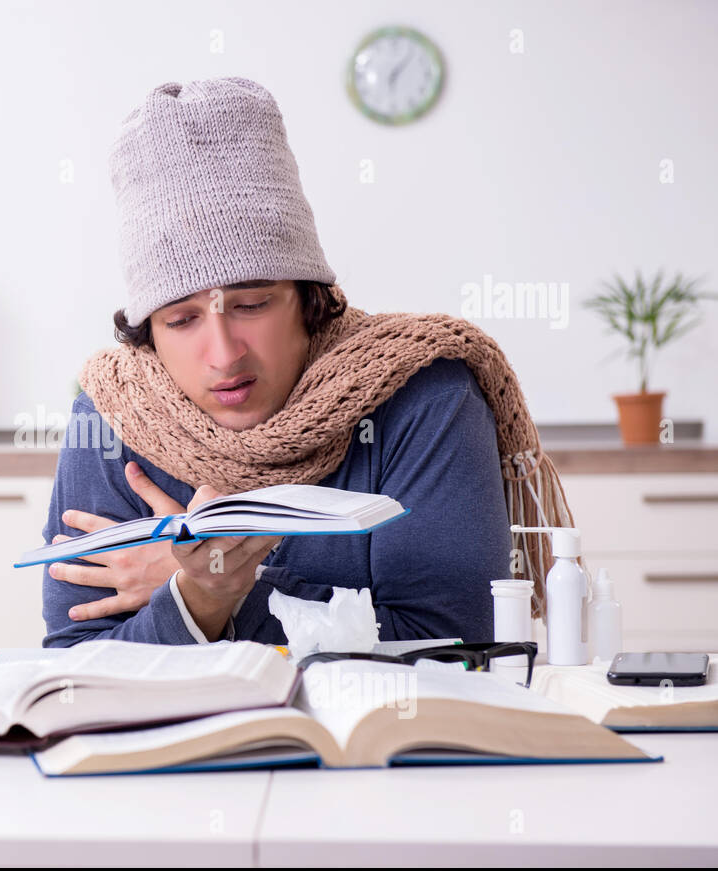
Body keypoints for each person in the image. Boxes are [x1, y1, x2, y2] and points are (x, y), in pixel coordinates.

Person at [40, 77, 576, 648]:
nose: (223, 354)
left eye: (251, 304)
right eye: (182, 319)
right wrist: (198, 597)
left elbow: (454, 642)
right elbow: (77, 658)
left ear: (310, 298)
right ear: (147, 334)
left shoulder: (426, 396)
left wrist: (225, 592)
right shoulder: (115, 413)